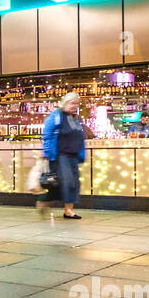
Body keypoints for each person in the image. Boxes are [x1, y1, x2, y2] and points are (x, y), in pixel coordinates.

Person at [41, 92, 86, 220]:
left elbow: (79, 137)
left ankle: (68, 210)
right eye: (72, 103)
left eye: (77, 103)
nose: (75, 106)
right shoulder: (56, 116)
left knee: (74, 183)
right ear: (65, 103)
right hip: (61, 156)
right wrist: (47, 153)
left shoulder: (75, 118)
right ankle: (45, 201)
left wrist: (81, 154)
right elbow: (47, 135)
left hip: (73, 156)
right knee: (67, 182)